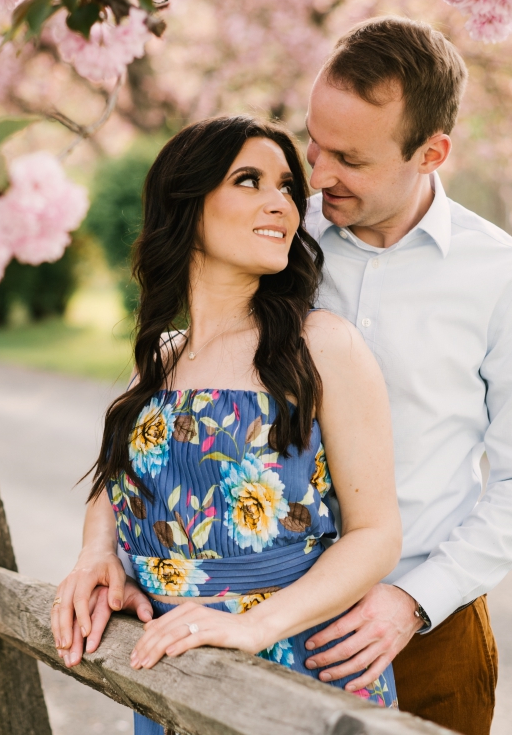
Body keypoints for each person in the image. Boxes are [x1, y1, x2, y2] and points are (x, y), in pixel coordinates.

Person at [59, 16, 512, 735]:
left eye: (350, 159)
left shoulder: (505, 278)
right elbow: (161, 435)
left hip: (431, 615)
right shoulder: (277, 238)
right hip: (267, 614)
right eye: (314, 145)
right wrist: (98, 545)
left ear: (431, 153)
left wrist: (413, 600)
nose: (319, 177)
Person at [51, 115, 403, 735]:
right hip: (175, 673)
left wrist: (252, 627)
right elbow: (122, 478)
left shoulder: (319, 346)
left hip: (296, 669)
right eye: (250, 180)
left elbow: (376, 534)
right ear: (186, 205)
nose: (284, 205)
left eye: (289, 188)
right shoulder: (161, 358)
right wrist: (96, 552)